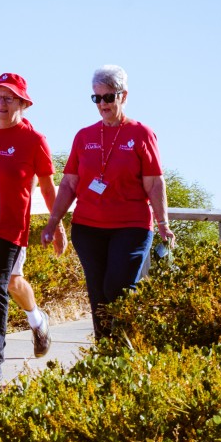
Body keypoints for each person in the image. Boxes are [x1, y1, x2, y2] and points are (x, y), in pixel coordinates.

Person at [41, 64, 175, 340]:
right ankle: (106, 352)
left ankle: (128, 341)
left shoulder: (141, 134)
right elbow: (68, 184)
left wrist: (163, 223)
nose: (102, 104)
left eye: (108, 97)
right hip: (88, 228)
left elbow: (154, 182)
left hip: (131, 226)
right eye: (96, 98)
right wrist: (53, 222)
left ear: (123, 96)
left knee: (118, 287)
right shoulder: (84, 136)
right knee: (99, 291)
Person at [0, 72, 66, 382]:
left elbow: (48, 187)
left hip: (11, 229)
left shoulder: (33, 140)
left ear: (23, 103)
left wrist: (57, 225)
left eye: (8, 98)